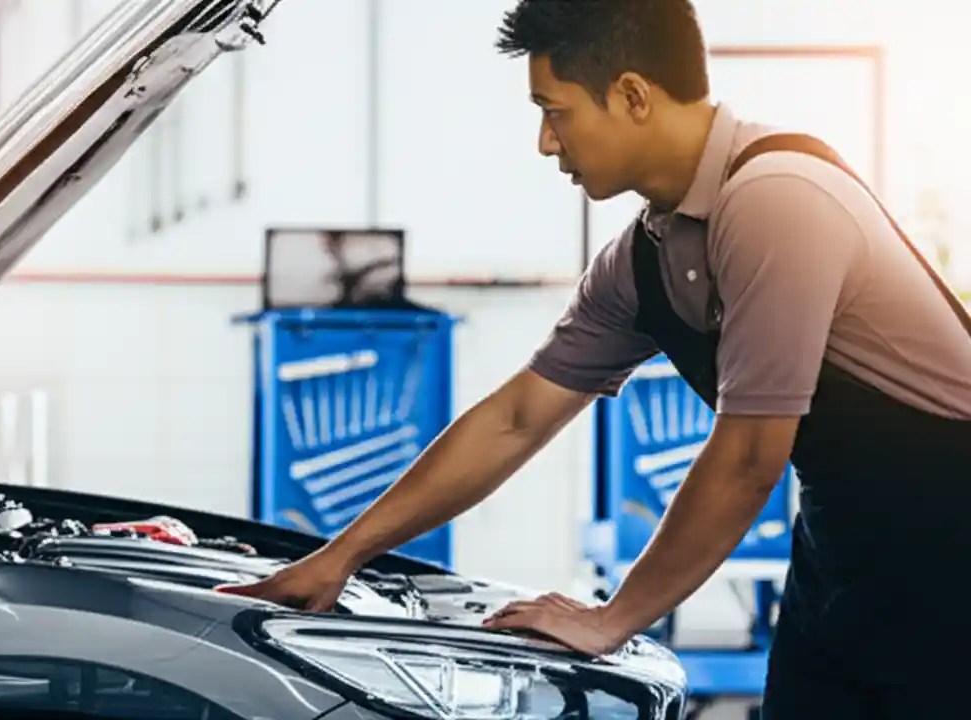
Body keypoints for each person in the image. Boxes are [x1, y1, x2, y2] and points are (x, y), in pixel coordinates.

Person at [218, 0, 971, 715]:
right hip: (843, 564)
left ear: (634, 95)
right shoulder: (643, 259)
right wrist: (339, 557)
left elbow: (748, 458)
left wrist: (615, 619)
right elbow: (516, 418)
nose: (547, 142)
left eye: (555, 111)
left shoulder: (779, 199)